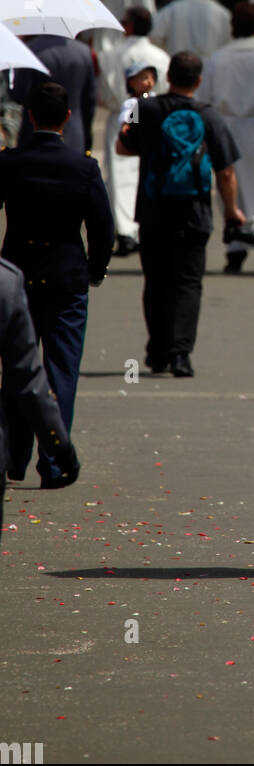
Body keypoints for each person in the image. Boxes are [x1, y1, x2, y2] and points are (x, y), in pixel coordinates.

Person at [0, 82, 113, 485]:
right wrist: (96, 269)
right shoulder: (83, 167)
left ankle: (12, 457)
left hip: (17, 275)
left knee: (17, 367)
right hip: (67, 277)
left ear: (30, 116)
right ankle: (53, 461)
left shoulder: (11, 163)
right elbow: (103, 227)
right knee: (61, 369)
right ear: (67, 117)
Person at [116, 51, 245, 377]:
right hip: (194, 213)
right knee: (188, 284)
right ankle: (180, 355)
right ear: (198, 81)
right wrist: (231, 212)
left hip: (153, 210)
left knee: (156, 282)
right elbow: (226, 173)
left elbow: (122, 146)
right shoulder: (209, 116)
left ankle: (157, 351)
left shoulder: (143, 109)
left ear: (167, 77)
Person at [197, 2, 254, 274]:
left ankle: (236, 248)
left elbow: (205, 100)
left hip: (227, 125)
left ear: (232, 26)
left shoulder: (217, 58)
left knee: (231, 185)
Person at [0, 258, 80, 525]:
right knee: (61, 368)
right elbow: (28, 379)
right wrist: (60, 446)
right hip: (65, 272)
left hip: (25, 257)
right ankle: (49, 465)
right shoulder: (5, 283)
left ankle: (17, 459)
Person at [96, 6, 170, 256]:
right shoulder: (160, 56)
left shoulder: (111, 55)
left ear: (129, 26)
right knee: (150, 170)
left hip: (123, 113)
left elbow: (103, 94)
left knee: (119, 172)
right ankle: (145, 226)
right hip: (154, 116)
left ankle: (126, 231)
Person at [12, 33, 96, 154]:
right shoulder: (84, 52)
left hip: (35, 138)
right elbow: (89, 102)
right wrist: (86, 136)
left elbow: (19, 94)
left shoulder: (30, 51)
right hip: (74, 136)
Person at [150, 0, 232, 60]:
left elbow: (153, 34)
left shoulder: (173, 9)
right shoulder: (223, 14)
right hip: (211, 70)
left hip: (178, 67)